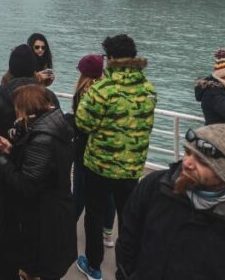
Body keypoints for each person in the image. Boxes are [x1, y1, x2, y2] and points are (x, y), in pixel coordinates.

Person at [115, 124, 225, 280]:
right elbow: (128, 237)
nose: (187, 163)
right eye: (188, 152)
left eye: (202, 161)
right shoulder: (154, 187)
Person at [75, 34, 156, 280]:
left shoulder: (103, 89)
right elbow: (147, 126)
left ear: (111, 59)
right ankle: (126, 269)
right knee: (128, 219)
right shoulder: (148, 90)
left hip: (99, 166)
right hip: (131, 168)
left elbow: (82, 122)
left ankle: (93, 265)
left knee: (95, 214)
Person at [0, 44, 60, 280]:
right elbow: (57, 130)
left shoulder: (0, 95)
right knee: (33, 227)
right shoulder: (48, 96)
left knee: (4, 227)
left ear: (11, 68)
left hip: (6, 174)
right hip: (37, 176)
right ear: (34, 68)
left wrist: (3, 156)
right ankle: (28, 269)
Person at [0, 84, 77, 279]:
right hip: (56, 209)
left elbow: (26, 185)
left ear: (26, 110)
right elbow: (43, 169)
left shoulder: (42, 139)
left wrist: (0, 159)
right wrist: (12, 150)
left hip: (43, 218)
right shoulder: (57, 126)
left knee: (37, 267)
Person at [70, 54, 117, 246]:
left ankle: (67, 226)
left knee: (79, 191)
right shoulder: (110, 91)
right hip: (108, 150)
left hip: (85, 149)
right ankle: (107, 233)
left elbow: (82, 124)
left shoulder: (86, 94)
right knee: (108, 194)